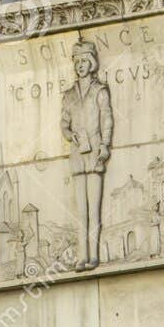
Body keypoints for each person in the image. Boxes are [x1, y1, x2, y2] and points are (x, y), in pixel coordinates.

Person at [60, 38, 114, 271]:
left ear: (91, 62)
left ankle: (94, 255)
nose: (80, 65)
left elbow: (107, 118)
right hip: (77, 154)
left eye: (84, 60)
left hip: (95, 153)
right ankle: (82, 256)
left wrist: (105, 145)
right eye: (77, 61)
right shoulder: (69, 95)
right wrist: (70, 134)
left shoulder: (99, 90)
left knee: (94, 209)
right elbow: (63, 123)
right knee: (81, 211)